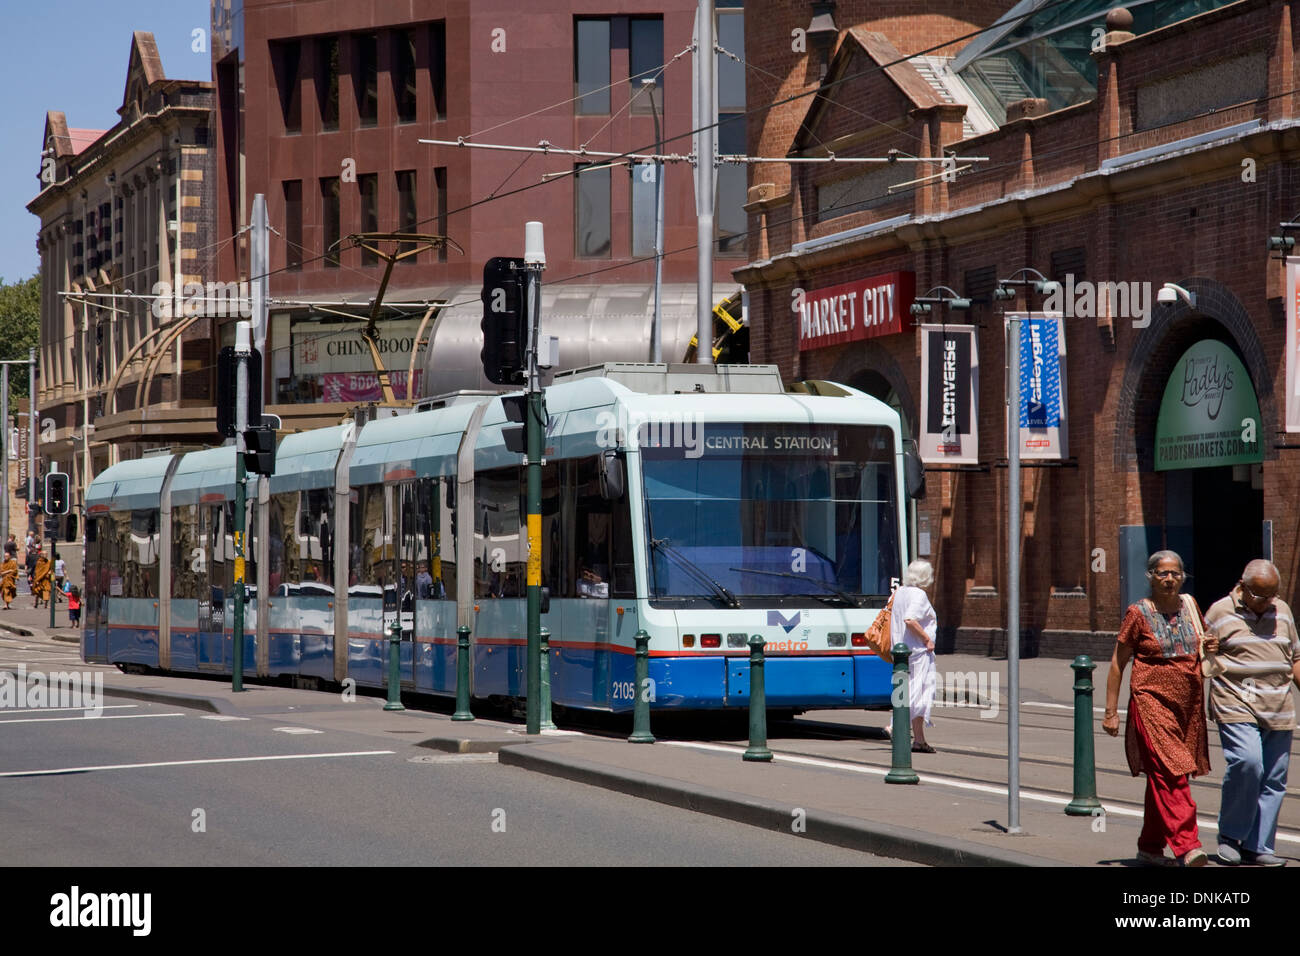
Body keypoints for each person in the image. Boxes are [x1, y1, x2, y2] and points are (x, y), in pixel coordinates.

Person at [1104, 550, 1211, 867]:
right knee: (1173, 773)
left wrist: (1213, 646)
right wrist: (1111, 712)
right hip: (1151, 704)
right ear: (1151, 576)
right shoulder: (1138, 613)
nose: (1169, 579)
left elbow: (1203, 646)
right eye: (1162, 573)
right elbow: (1117, 663)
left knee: (1162, 778)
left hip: (1187, 708)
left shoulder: (1190, 606)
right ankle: (1188, 845)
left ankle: (1150, 848)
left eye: (1175, 573)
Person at [1204, 559, 1300, 866]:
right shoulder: (1220, 611)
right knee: (1248, 763)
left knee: (1273, 779)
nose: (1267, 602)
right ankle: (1231, 836)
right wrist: (1206, 650)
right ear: (1243, 587)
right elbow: (1204, 658)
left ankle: (1259, 845)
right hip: (1236, 702)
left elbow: (1295, 657)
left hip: (1279, 706)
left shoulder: (1283, 611)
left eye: (1272, 595)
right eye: (1260, 595)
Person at [889, 558, 939, 753]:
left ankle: (919, 740)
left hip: (901, 650)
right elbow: (910, 619)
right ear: (925, 577)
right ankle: (893, 725)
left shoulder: (899, 592)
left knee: (915, 692)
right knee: (916, 691)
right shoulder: (919, 595)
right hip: (917, 652)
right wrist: (927, 639)